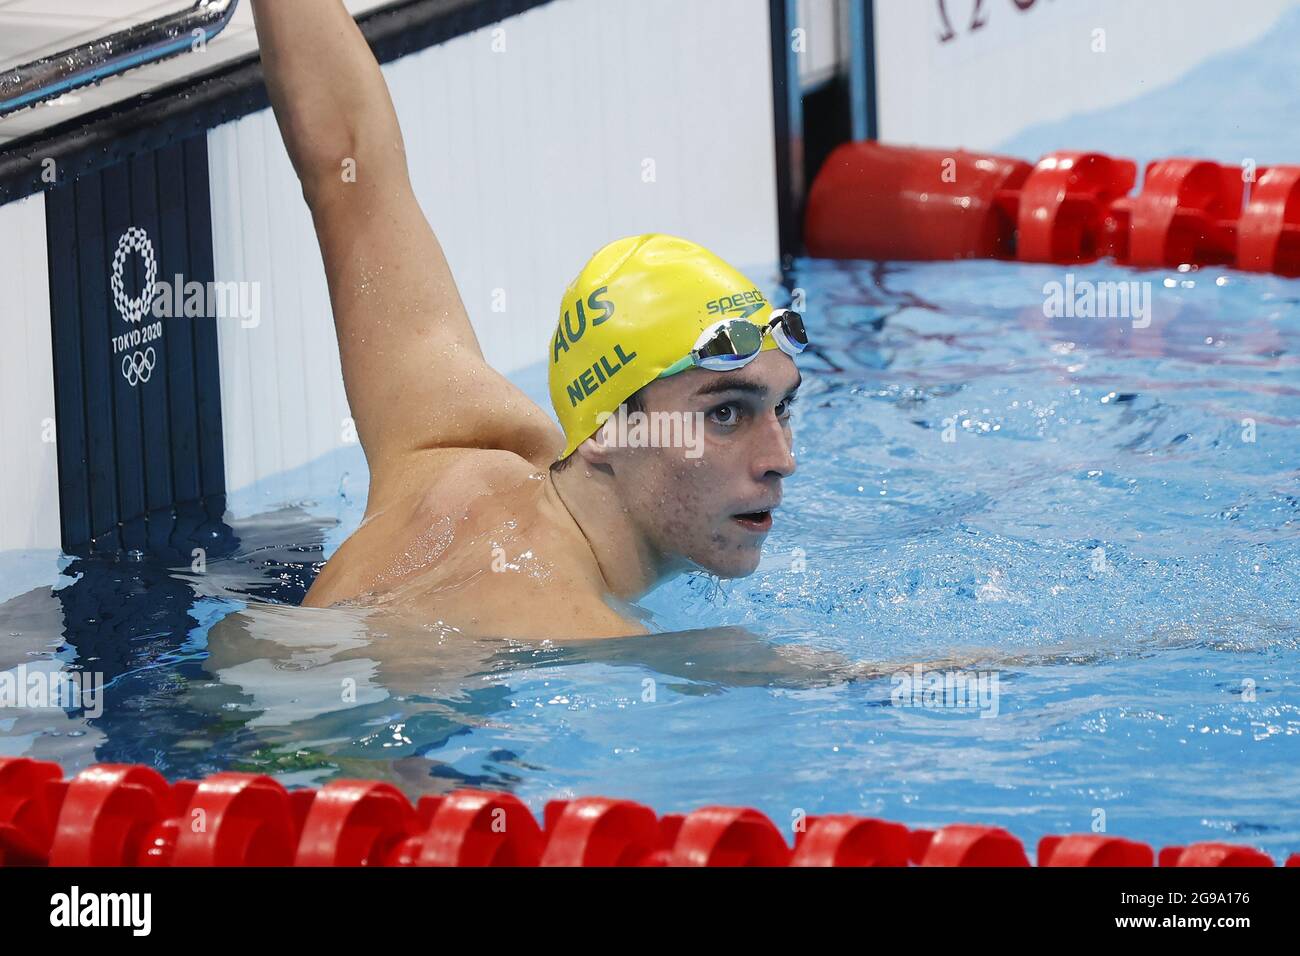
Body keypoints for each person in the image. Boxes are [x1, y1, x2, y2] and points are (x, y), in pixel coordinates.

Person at [251, 0, 805, 639]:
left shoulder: (451, 442)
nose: (780, 458)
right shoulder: (580, 635)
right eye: (726, 414)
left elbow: (348, 160)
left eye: (781, 408)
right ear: (606, 431)